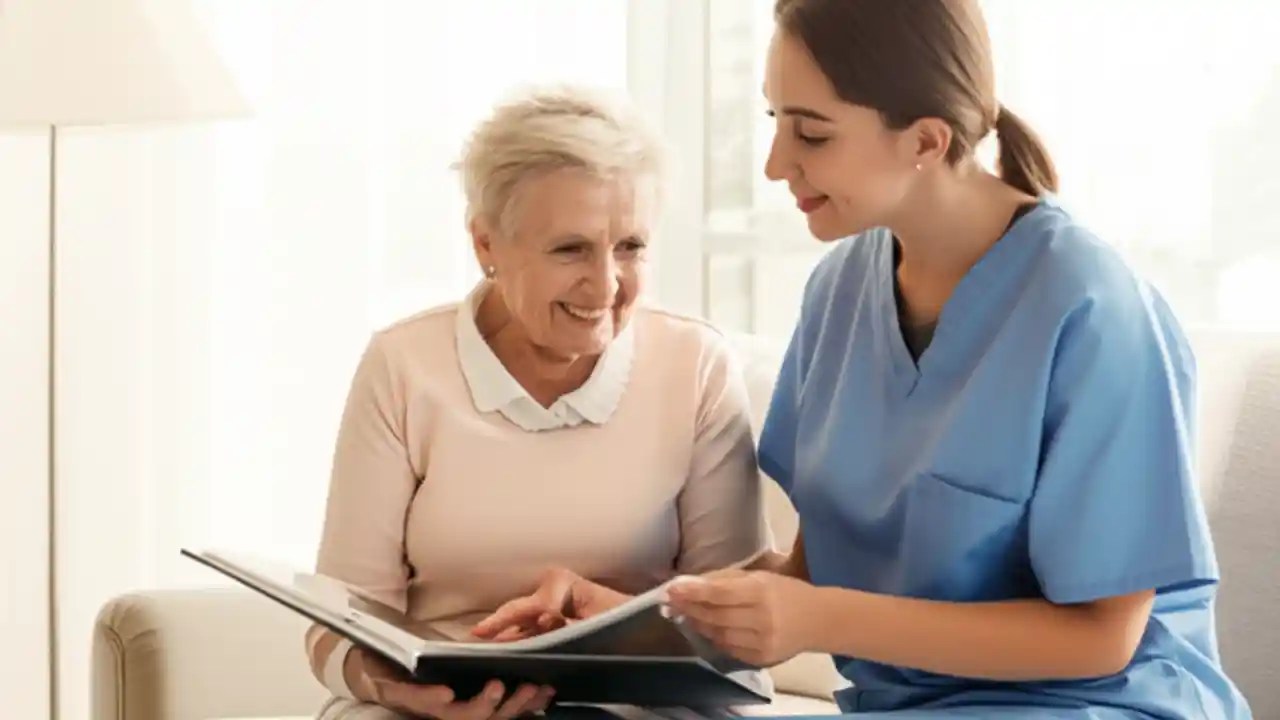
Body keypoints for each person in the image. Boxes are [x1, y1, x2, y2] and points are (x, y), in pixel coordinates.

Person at [480, 1, 1253, 717]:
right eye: (775, 121)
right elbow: (806, 580)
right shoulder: (840, 293)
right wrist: (627, 619)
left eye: (812, 134)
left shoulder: (1092, 309)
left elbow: (1101, 637)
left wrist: (822, 618)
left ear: (925, 141)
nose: (775, 164)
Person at [303, 85, 772, 720]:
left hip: (640, 705)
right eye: (570, 249)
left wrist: (613, 621)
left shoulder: (696, 366)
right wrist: (400, 690)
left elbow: (742, 634)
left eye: (630, 246)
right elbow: (338, 623)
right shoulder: (403, 365)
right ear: (486, 245)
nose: (605, 285)